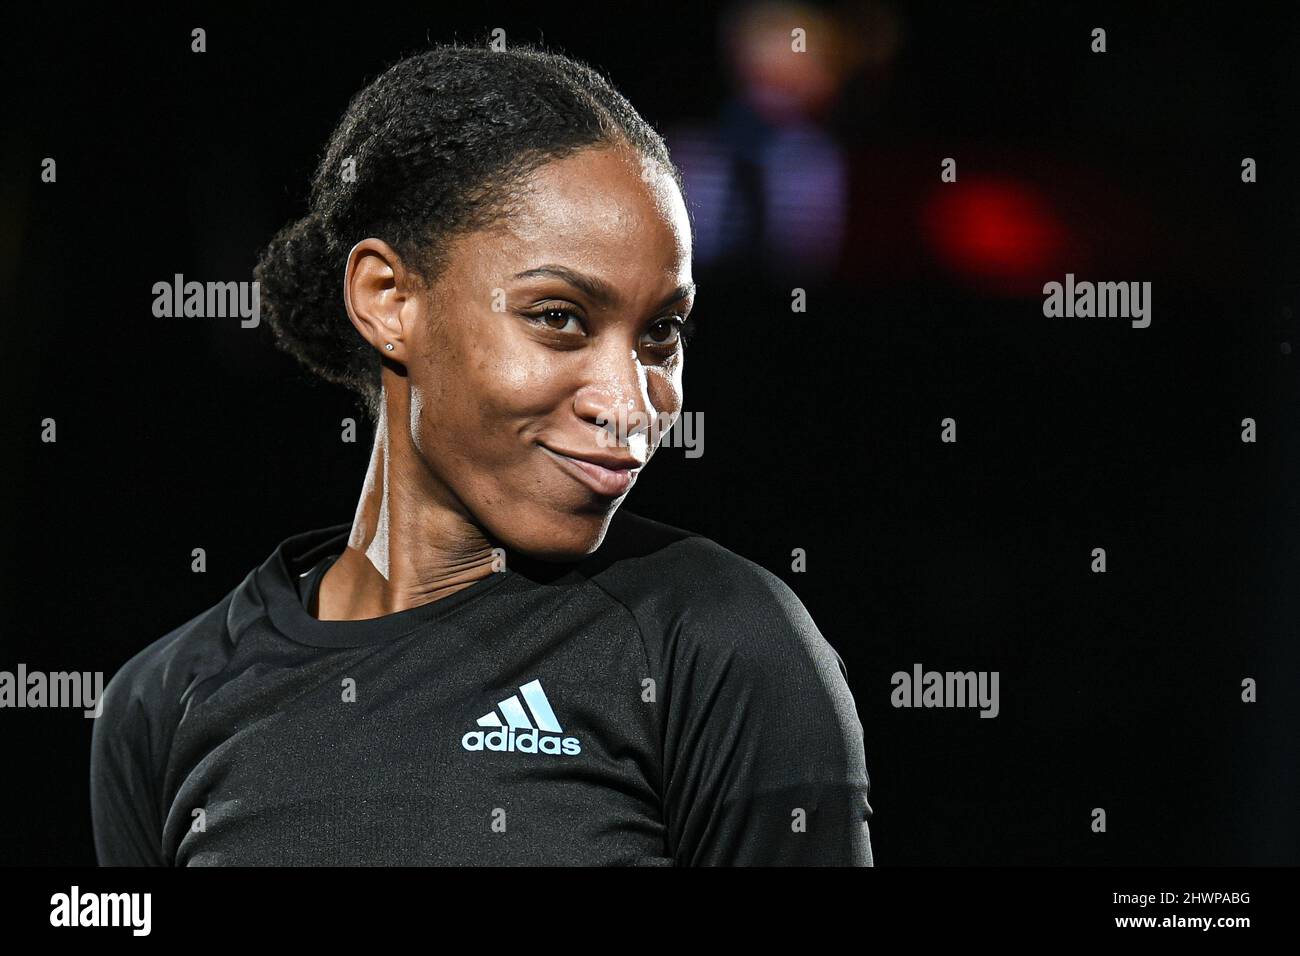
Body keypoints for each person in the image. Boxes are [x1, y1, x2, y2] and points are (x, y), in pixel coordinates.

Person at [90, 42, 873, 866]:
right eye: (559, 317)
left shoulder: (725, 650)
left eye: (661, 332)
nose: (629, 404)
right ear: (388, 300)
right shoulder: (159, 704)